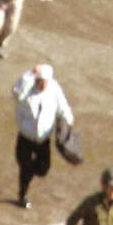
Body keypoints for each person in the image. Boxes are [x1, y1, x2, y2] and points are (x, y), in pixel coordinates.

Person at [12, 63, 73, 209]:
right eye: (39, 81)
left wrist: (68, 120)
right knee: (25, 168)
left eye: (45, 82)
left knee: (43, 169)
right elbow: (16, 93)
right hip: (25, 138)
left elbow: (63, 107)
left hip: (43, 139)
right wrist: (29, 75)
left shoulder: (54, 89)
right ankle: (22, 195)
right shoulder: (25, 89)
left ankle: (27, 172)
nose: (42, 85)